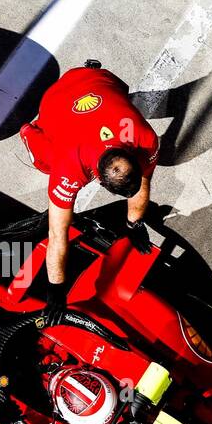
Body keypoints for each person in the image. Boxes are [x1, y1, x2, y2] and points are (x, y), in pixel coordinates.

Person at [19, 62, 160, 309]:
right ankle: (27, 131)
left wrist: (134, 223)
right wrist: (55, 290)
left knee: (119, 91)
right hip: (53, 100)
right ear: (100, 182)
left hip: (88, 76)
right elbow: (57, 234)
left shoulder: (144, 137)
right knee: (46, 161)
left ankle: (90, 69)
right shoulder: (68, 168)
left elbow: (143, 180)